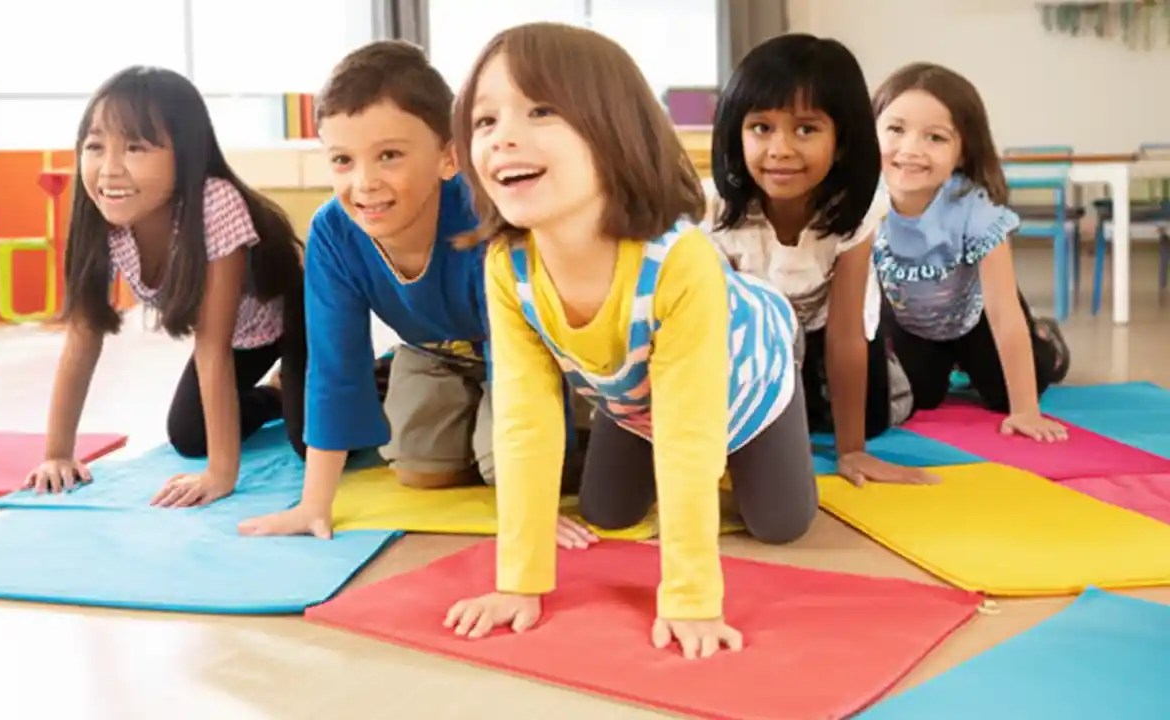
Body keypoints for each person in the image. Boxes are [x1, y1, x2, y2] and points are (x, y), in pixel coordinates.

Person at [441, 23, 815, 659]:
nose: (503, 136)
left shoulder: (680, 262)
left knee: (779, 524)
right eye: (483, 120)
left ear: (614, 128)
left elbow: (690, 435)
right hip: (635, 394)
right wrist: (518, 584)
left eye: (540, 110)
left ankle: (762, 452)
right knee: (608, 513)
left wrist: (691, 599)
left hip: (751, 375)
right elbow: (524, 423)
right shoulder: (509, 268)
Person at [237, 41, 585, 543]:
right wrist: (315, 504)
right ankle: (463, 416)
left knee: (503, 467)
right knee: (420, 471)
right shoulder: (334, 232)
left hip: (524, 353)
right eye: (342, 160)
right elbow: (335, 365)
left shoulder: (486, 218)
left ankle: (590, 421)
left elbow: (521, 363)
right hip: (432, 351)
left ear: (449, 157)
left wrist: (527, 502)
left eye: (390, 156)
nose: (364, 183)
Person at [24, 66, 307, 507]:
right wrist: (57, 454)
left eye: (135, 147)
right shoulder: (103, 216)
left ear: (186, 154)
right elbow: (83, 338)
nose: (109, 169)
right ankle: (275, 392)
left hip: (298, 317)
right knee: (190, 436)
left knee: (311, 440)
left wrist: (221, 474)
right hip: (242, 339)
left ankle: (371, 382)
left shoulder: (214, 203)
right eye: (95, 146)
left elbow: (211, 346)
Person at [707, 33, 930, 486]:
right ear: (737, 132)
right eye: (761, 128)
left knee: (877, 415)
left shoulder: (855, 210)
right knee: (784, 427)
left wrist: (852, 452)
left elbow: (846, 331)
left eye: (806, 129)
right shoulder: (715, 214)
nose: (780, 149)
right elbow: (719, 339)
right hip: (756, 336)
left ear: (842, 141)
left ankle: (900, 369)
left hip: (824, 322)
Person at [871, 62, 1070, 441]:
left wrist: (1025, 410)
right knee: (921, 398)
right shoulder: (863, 203)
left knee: (1002, 394)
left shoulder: (973, 208)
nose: (910, 149)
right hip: (912, 320)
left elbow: (1002, 309)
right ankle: (945, 364)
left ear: (963, 152)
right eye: (896, 129)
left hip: (977, 316)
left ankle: (1047, 341)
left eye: (936, 138)